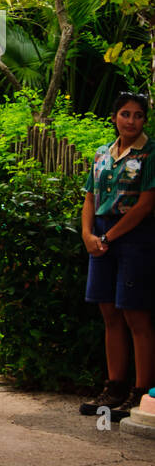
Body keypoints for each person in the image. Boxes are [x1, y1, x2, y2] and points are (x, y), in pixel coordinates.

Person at [80, 91, 155, 418]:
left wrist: (109, 236)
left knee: (135, 315)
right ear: (114, 117)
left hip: (134, 237)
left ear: (144, 121)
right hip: (99, 236)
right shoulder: (101, 155)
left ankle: (141, 393)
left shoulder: (151, 154)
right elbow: (89, 198)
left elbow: (146, 204)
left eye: (138, 115)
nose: (131, 121)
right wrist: (87, 235)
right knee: (109, 314)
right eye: (125, 113)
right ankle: (114, 387)